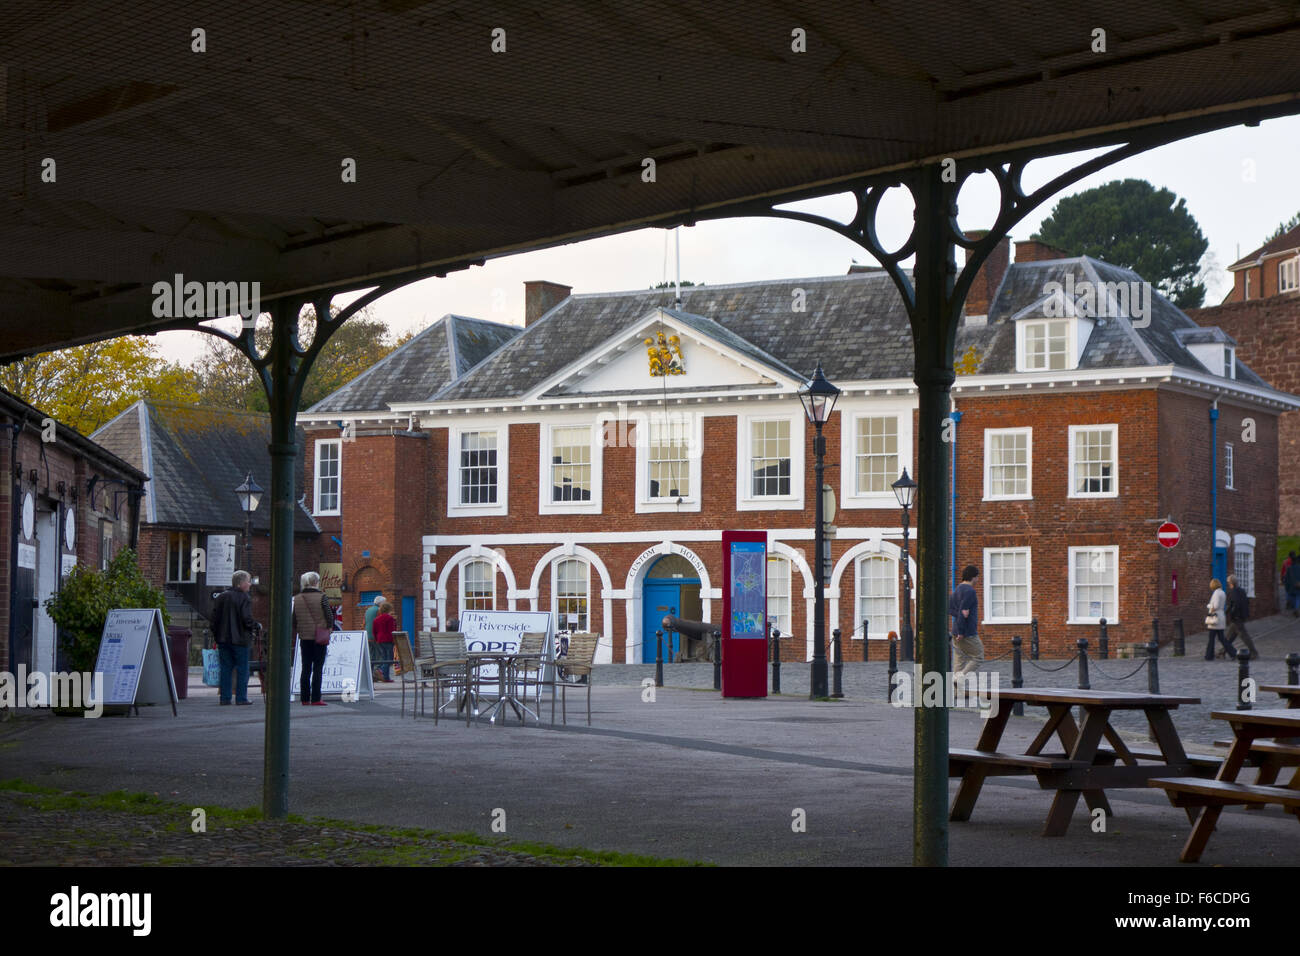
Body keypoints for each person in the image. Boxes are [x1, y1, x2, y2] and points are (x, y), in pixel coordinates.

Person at [211, 570, 259, 706]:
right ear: (241, 583)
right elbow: (247, 619)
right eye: (248, 581)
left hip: (223, 639)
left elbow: (214, 619)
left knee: (226, 668)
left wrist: (217, 635)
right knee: (242, 669)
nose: (250, 584)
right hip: (241, 640)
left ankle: (225, 698)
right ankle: (241, 697)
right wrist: (256, 626)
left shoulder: (221, 597)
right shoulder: (244, 598)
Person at [294, 571, 334, 706]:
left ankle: (304, 698)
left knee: (306, 668)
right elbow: (329, 615)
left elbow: (294, 619)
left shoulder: (297, 598)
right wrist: (329, 627)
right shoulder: (322, 597)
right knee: (318, 667)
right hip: (319, 637)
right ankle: (316, 698)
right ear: (316, 582)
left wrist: (300, 630)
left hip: (304, 637)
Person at [948, 565, 983, 686]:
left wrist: (959, 614)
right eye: (977, 577)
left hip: (955, 630)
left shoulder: (958, 589)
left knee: (959, 659)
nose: (978, 580)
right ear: (973, 577)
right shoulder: (970, 591)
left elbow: (949, 608)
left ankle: (958, 692)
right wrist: (961, 632)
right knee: (978, 656)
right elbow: (963, 612)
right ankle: (959, 679)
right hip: (967, 632)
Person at [1224, 573, 1259, 660]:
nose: (1228, 584)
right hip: (1241, 616)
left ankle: (1254, 653)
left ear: (1231, 583)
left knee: (1244, 636)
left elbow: (1234, 605)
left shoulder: (1233, 592)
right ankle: (1222, 651)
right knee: (1230, 636)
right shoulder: (1242, 590)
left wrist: (1229, 613)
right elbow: (1246, 603)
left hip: (1237, 617)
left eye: (1228, 582)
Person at [1204, 578, 1234, 660]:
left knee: (1212, 639)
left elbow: (1216, 606)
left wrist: (1209, 605)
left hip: (1215, 618)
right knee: (1221, 638)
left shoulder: (1216, 593)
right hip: (1220, 616)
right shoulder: (1222, 592)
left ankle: (1209, 656)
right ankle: (1233, 653)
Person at [372, 601, 397, 682]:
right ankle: (380, 671)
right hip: (388, 640)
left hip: (379, 640)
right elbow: (392, 631)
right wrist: (394, 641)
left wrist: (377, 639)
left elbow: (374, 631)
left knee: (384, 658)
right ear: (389, 609)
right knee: (389, 659)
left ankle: (385, 677)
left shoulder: (376, 619)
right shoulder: (390, 618)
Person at [365, 594, 386, 682]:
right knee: (380, 655)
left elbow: (364, 622)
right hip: (376, 636)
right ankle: (376, 673)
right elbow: (381, 623)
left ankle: (370, 675)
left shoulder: (368, 610)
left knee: (371, 656)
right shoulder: (379, 610)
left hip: (368, 635)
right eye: (384, 602)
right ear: (380, 603)